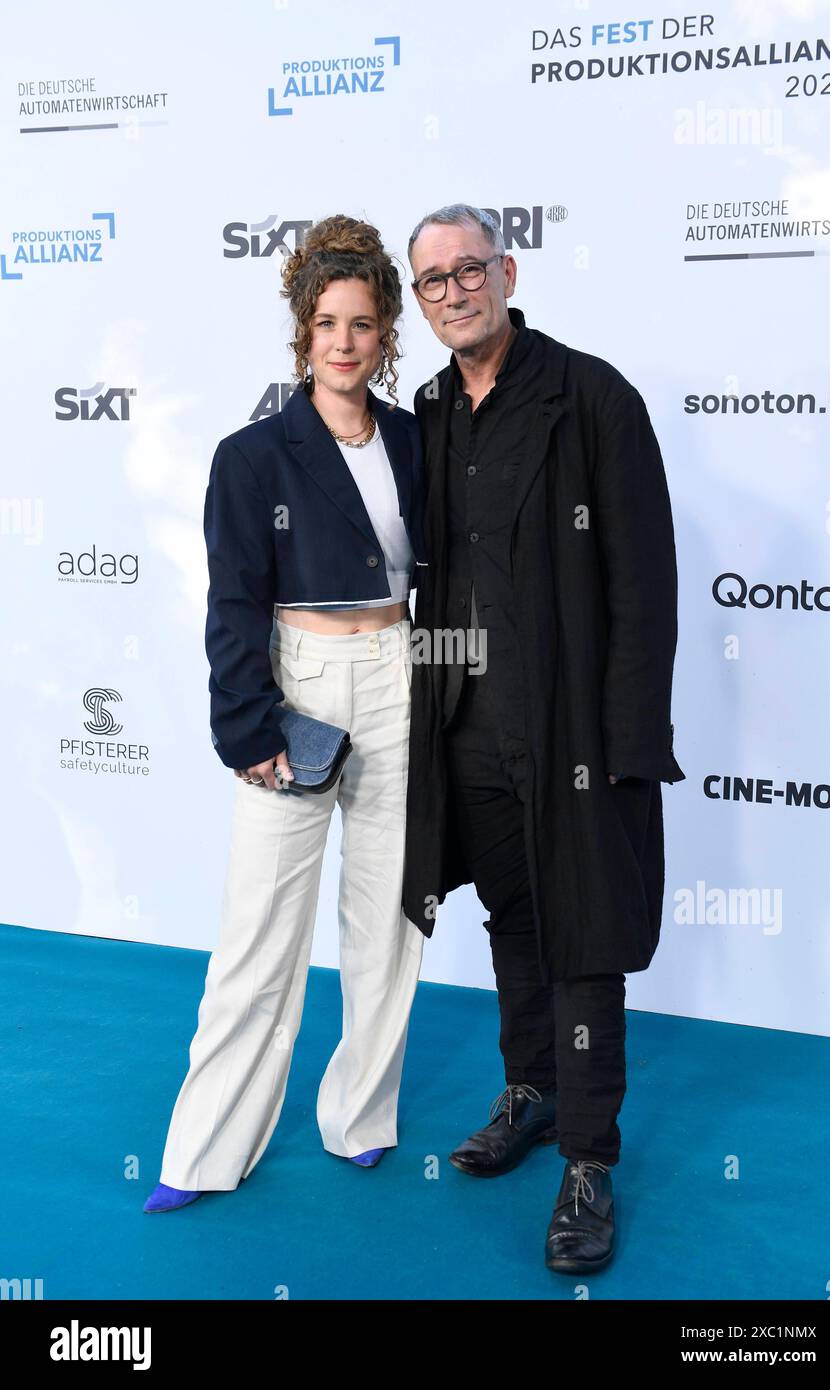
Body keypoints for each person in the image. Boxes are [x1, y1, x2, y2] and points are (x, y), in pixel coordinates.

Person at [401, 203, 685, 1272]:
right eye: (431, 281)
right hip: (467, 729)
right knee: (512, 922)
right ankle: (524, 1094)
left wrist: (626, 736)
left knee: (582, 938)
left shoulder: (591, 397)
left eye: (468, 270)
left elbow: (643, 585)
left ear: (506, 271)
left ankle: (586, 1161)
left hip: (571, 731)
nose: (452, 292)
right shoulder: (426, 413)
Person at [144, 214, 427, 1212]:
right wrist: (250, 729)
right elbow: (231, 604)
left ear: (387, 329)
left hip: (400, 675)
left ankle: (362, 1116)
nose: (343, 342)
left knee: (387, 918)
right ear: (300, 335)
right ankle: (205, 1149)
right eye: (325, 324)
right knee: (260, 927)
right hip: (297, 684)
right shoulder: (253, 454)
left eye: (361, 323)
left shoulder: (413, 435)